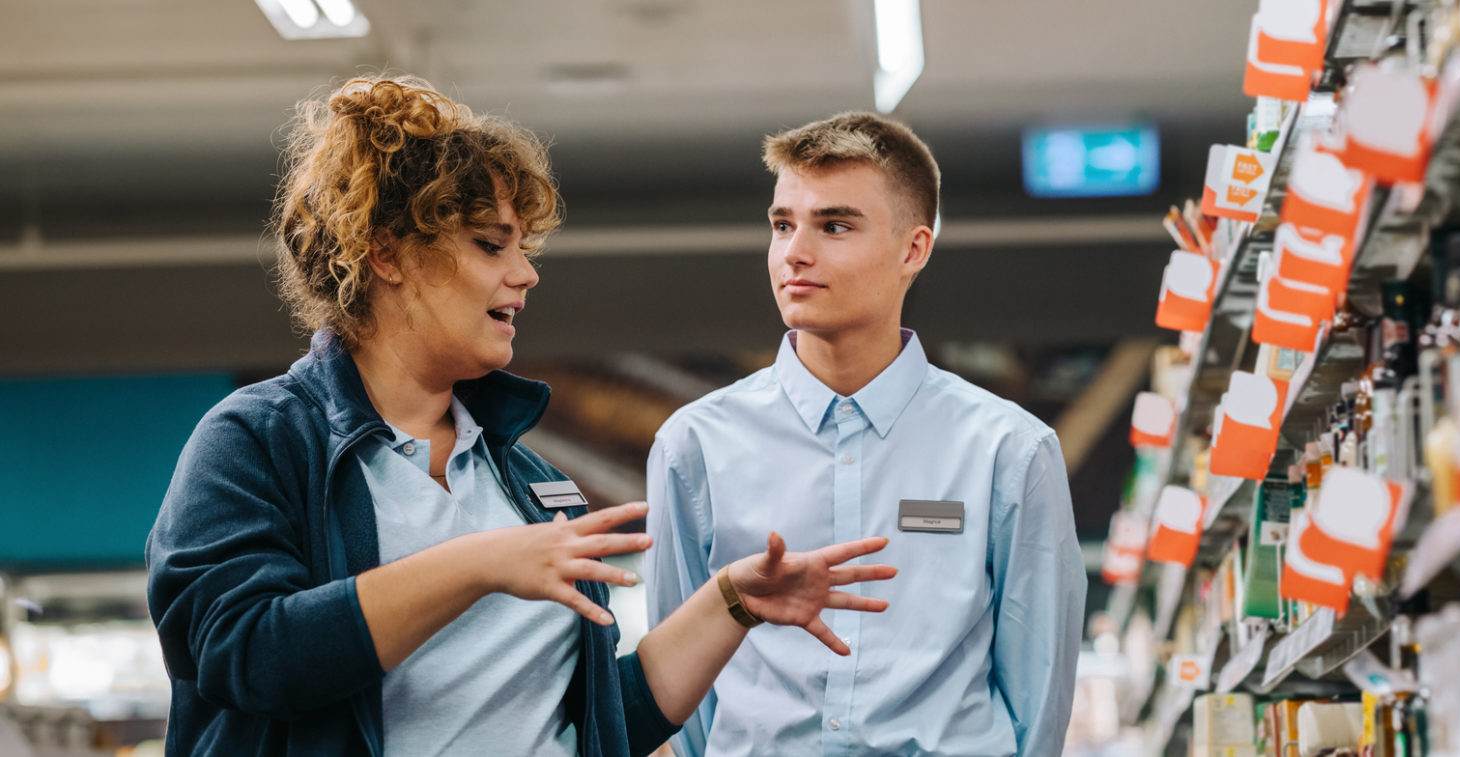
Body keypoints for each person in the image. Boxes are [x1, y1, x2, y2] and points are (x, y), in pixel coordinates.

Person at [144, 76, 897, 757]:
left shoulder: (527, 480)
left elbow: (601, 722)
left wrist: (732, 601)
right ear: (386, 254)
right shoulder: (259, 440)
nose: (525, 272)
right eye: (489, 245)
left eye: (523, 246)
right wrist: (478, 563)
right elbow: (245, 653)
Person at [644, 112, 1086, 757]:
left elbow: (1038, 693)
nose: (795, 251)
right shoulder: (696, 445)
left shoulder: (1008, 450)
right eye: (782, 224)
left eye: (835, 225)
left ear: (913, 249)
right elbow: (679, 677)